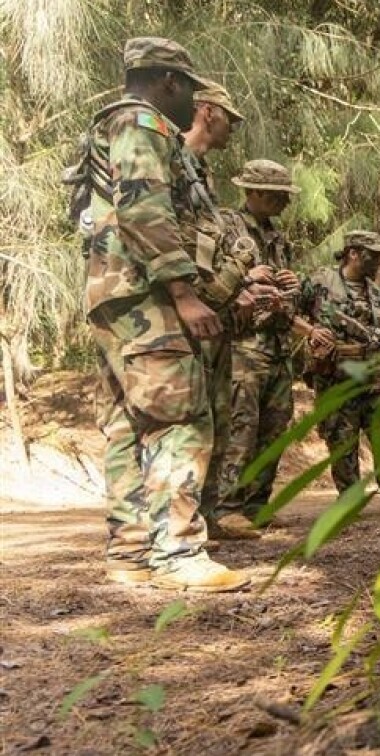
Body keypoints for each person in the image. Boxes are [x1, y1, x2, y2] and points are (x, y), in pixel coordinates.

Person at [82, 37, 247, 591]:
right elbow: (146, 210)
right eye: (190, 90)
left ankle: (129, 551)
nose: (192, 104)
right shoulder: (142, 123)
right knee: (181, 416)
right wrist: (184, 293)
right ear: (170, 82)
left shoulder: (124, 124)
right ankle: (177, 553)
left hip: (116, 293)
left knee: (131, 421)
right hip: (146, 293)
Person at [180, 82, 278, 541]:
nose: (234, 127)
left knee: (220, 418)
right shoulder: (173, 160)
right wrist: (227, 282)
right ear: (206, 111)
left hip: (215, 309)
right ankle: (178, 525)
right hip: (196, 315)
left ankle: (214, 513)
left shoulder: (200, 172)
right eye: (229, 118)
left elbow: (203, 247)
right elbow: (174, 241)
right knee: (210, 422)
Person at [214, 160, 302, 532]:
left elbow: (292, 298)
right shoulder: (226, 226)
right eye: (278, 195)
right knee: (241, 426)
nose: (285, 203)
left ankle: (255, 505)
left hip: (277, 346)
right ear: (254, 192)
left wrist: (291, 291)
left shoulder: (278, 238)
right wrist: (247, 277)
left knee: (274, 427)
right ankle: (225, 507)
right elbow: (211, 279)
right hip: (243, 345)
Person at [294, 231, 380, 503]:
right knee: (341, 439)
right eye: (373, 255)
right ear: (353, 253)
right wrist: (310, 331)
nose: (379, 261)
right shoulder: (321, 281)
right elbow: (288, 310)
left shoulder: (376, 293)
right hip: (336, 376)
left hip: (374, 374)